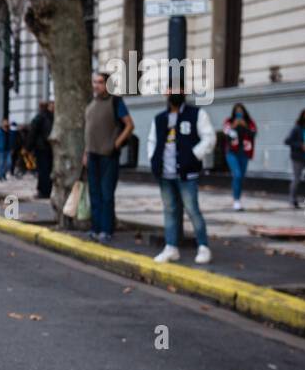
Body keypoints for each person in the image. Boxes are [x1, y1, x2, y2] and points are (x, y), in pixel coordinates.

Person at [146, 88, 216, 264]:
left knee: (192, 209)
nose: (174, 93)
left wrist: (193, 156)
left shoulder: (197, 114)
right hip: (165, 174)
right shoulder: (160, 118)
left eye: (178, 89)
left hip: (187, 173)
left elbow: (209, 138)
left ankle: (203, 247)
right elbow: (151, 141)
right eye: (170, 90)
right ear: (165, 93)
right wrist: (154, 159)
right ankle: (171, 247)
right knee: (169, 210)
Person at [82, 71, 134, 242]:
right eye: (94, 82)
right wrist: (85, 152)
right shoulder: (91, 104)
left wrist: (115, 144)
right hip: (92, 154)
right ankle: (95, 228)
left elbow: (129, 125)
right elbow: (88, 131)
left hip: (108, 156)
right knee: (94, 193)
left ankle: (106, 229)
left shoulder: (116, 102)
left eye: (100, 82)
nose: (96, 85)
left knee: (106, 194)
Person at [222, 102, 257, 210]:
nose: (239, 113)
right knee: (237, 174)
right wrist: (234, 125)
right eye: (237, 111)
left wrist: (244, 125)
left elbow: (253, 133)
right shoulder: (229, 121)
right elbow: (226, 134)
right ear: (234, 112)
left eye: (240, 111)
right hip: (231, 152)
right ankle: (236, 200)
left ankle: (237, 198)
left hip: (244, 152)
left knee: (241, 177)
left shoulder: (249, 122)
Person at [30, 100, 54, 198]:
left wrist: (28, 147)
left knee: (43, 170)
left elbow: (32, 133)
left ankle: (44, 191)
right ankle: (46, 190)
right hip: (48, 147)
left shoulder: (40, 117)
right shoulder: (50, 117)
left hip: (42, 147)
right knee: (46, 170)